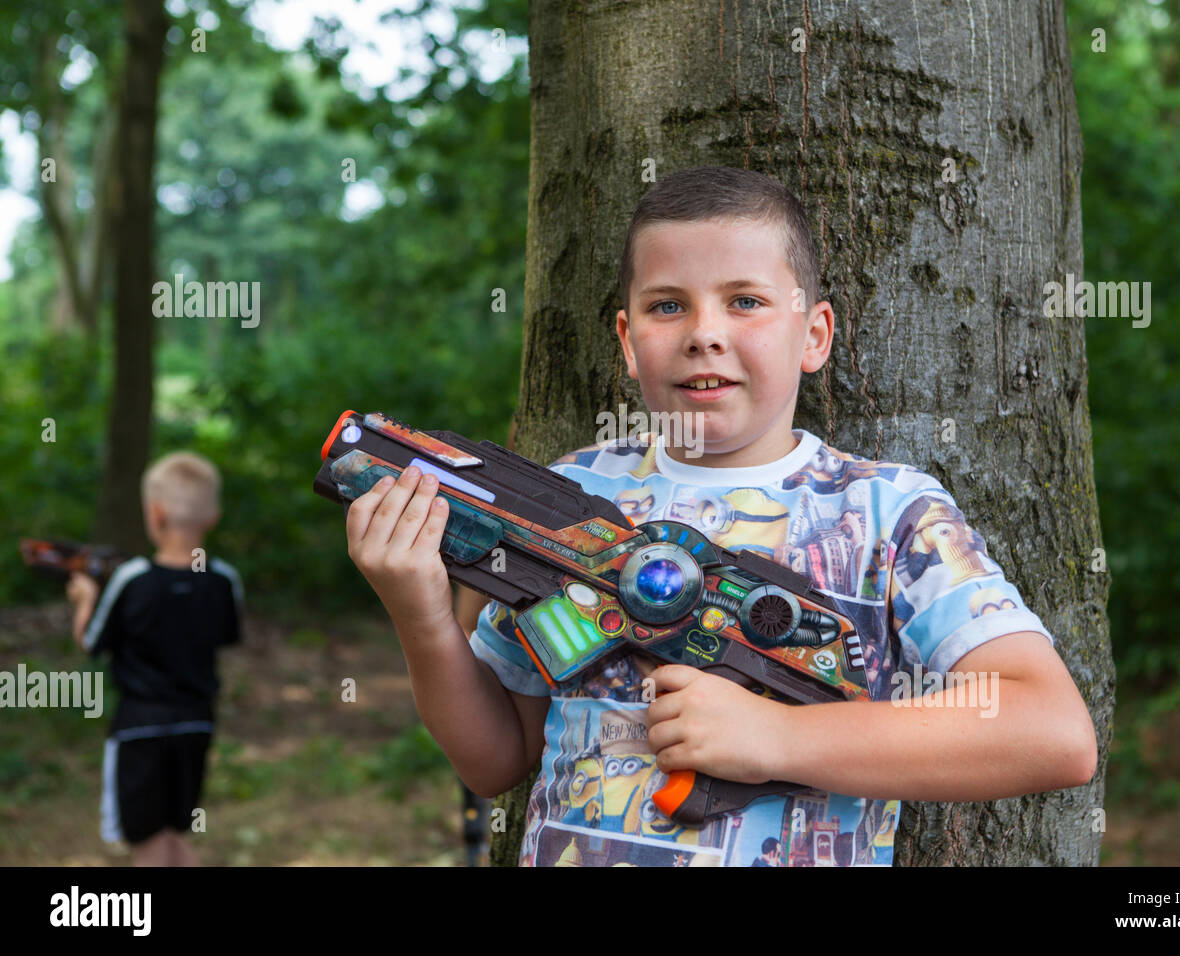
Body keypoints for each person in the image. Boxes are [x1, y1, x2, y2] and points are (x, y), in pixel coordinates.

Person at [344, 166, 1097, 867]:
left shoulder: (887, 512)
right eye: (667, 305)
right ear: (629, 344)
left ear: (814, 336)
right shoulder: (570, 492)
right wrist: (419, 612)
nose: (705, 331)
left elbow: (1052, 732)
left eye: (746, 301)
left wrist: (777, 736)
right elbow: (497, 758)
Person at [67, 452, 243, 866]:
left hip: (140, 730)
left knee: (146, 841)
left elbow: (91, 642)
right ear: (213, 517)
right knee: (172, 833)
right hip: (198, 724)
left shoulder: (132, 578)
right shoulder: (223, 579)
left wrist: (84, 601)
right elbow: (226, 636)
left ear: (156, 512)